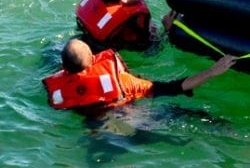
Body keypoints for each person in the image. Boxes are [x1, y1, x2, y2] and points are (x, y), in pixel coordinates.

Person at [42, 38, 236, 118]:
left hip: (92, 122)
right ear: (93, 60)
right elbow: (171, 88)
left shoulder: (57, 85)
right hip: (126, 116)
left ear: (63, 67)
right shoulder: (124, 82)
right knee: (185, 114)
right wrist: (212, 71)